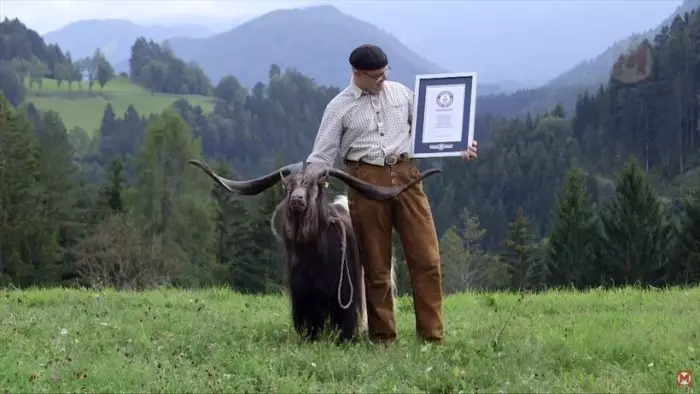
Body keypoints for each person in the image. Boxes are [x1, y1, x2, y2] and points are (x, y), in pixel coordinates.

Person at [305, 44, 478, 345]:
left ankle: (432, 337)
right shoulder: (339, 107)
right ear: (357, 74)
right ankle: (383, 339)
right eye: (376, 76)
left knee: (427, 258)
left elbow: (432, 128)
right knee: (375, 265)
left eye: (386, 73)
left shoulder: (402, 94)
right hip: (365, 181)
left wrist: (459, 143)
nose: (383, 80)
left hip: (408, 176)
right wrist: (306, 185)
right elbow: (322, 155)